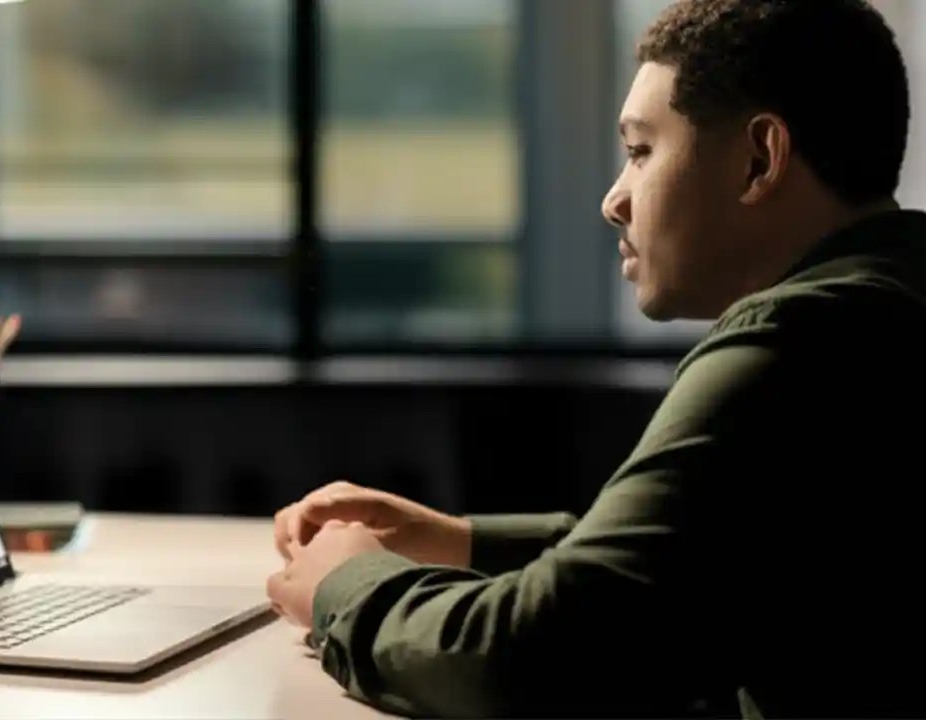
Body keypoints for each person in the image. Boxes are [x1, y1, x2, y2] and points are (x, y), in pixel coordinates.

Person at [266, 0, 926, 717]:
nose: (614, 199)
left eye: (641, 150)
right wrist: (463, 542)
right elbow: (697, 566)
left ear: (759, 159)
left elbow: (533, 657)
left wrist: (348, 582)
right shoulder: (896, 298)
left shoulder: (798, 340)